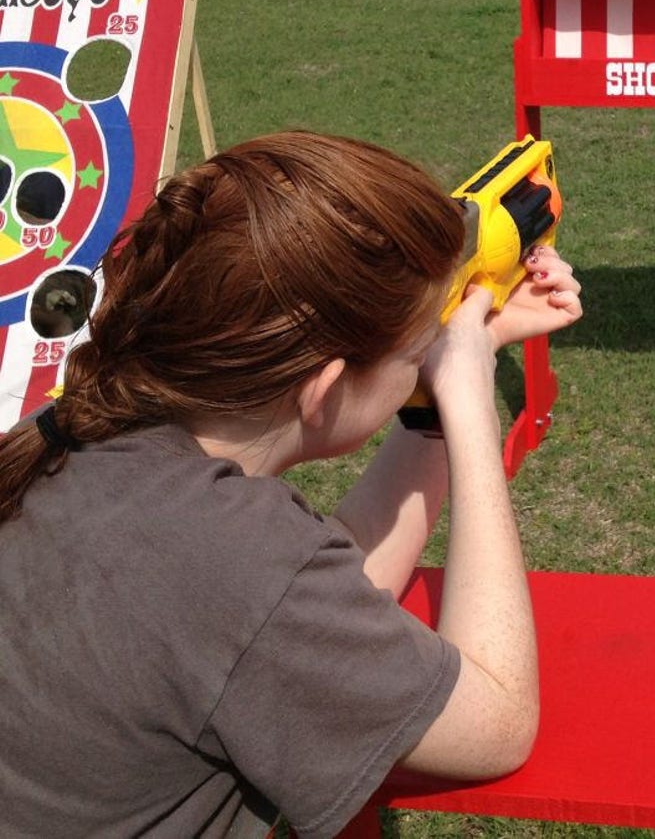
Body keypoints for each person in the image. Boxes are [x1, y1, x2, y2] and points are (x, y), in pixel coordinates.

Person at [0, 130, 583, 839]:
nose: (429, 353)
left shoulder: (82, 442)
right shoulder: (235, 565)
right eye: (417, 348)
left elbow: (286, 617)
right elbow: (497, 718)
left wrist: (449, 378)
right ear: (323, 390)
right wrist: (468, 400)